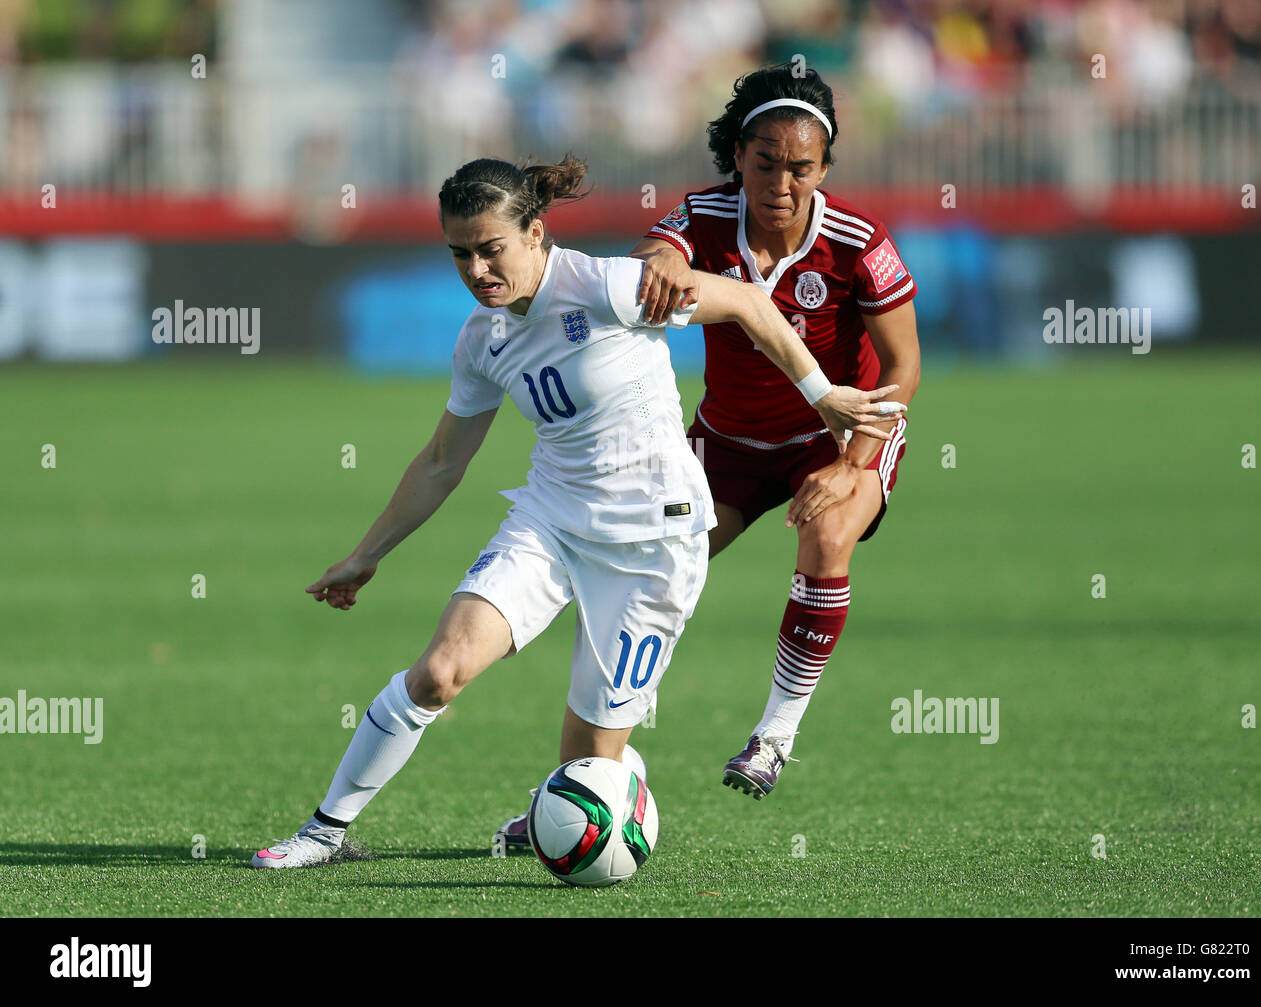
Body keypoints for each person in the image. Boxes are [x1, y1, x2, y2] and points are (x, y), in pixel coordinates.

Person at [251, 154, 900, 867]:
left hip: (653, 545)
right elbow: (442, 460)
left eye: (490, 248)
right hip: (550, 522)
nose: (476, 269)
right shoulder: (482, 338)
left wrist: (823, 394)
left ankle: (601, 785)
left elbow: (744, 302)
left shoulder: (611, 286)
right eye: (459, 253)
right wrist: (367, 553)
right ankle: (323, 833)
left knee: (587, 767)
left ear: (535, 232)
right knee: (439, 670)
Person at [632, 62, 923, 800]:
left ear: (825, 167)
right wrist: (661, 256)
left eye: (801, 168)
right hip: (727, 440)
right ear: (738, 155)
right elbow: (655, 255)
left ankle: (774, 736)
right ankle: (597, 771)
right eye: (765, 163)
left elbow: (903, 364)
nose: (781, 184)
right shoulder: (700, 216)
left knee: (825, 538)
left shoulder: (859, 240)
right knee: (649, 575)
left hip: (837, 437)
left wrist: (852, 461)